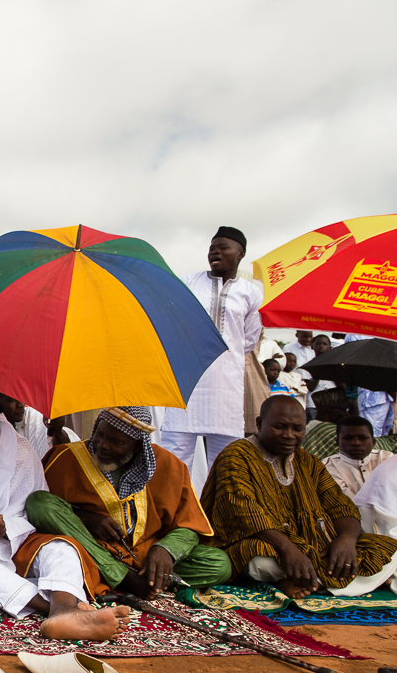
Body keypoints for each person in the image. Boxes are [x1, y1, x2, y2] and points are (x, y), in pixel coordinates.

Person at [0, 391, 129, 640]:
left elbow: (30, 511)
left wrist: (3, 527)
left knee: (61, 548)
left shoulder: (21, 451)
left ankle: (63, 609)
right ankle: (54, 608)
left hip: (12, 543)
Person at [202, 395, 397, 598]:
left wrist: (346, 540)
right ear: (259, 424)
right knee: (259, 560)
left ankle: (309, 580)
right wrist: (288, 550)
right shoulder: (236, 455)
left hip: (313, 545)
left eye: (297, 429)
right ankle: (328, 579)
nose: (289, 435)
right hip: (266, 544)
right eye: (280, 427)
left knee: (391, 551)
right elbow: (243, 512)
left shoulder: (308, 461)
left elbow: (340, 506)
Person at [30, 406, 232, 598]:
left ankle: (145, 578)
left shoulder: (169, 465)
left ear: (137, 446)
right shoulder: (66, 458)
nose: (103, 445)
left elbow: (189, 524)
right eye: (99, 434)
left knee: (218, 564)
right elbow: (42, 507)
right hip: (90, 550)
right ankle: (123, 578)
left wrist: (165, 550)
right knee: (38, 502)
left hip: (144, 555)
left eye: (116, 442)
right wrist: (85, 518)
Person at [159, 227, 263, 487]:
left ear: (240, 254)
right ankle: (172, 510)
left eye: (223, 247)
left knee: (226, 462)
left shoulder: (251, 293)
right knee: (174, 460)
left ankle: (219, 511)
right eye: (212, 248)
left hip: (226, 387)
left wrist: (226, 355)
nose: (215, 252)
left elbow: (249, 339)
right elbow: (170, 322)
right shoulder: (186, 283)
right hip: (187, 382)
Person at [323, 416, 393, 500]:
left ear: (373, 441)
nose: (356, 443)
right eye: (348, 438)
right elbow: (346, 501)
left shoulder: (387, 458)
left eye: (362, 438)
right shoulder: (328, 466)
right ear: (338, 442)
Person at [0, 391, 76, 458]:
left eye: (20, 397)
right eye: (12, 400)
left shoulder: (34, 418)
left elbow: (66, 451)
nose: (20, 405)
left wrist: (57, 430)